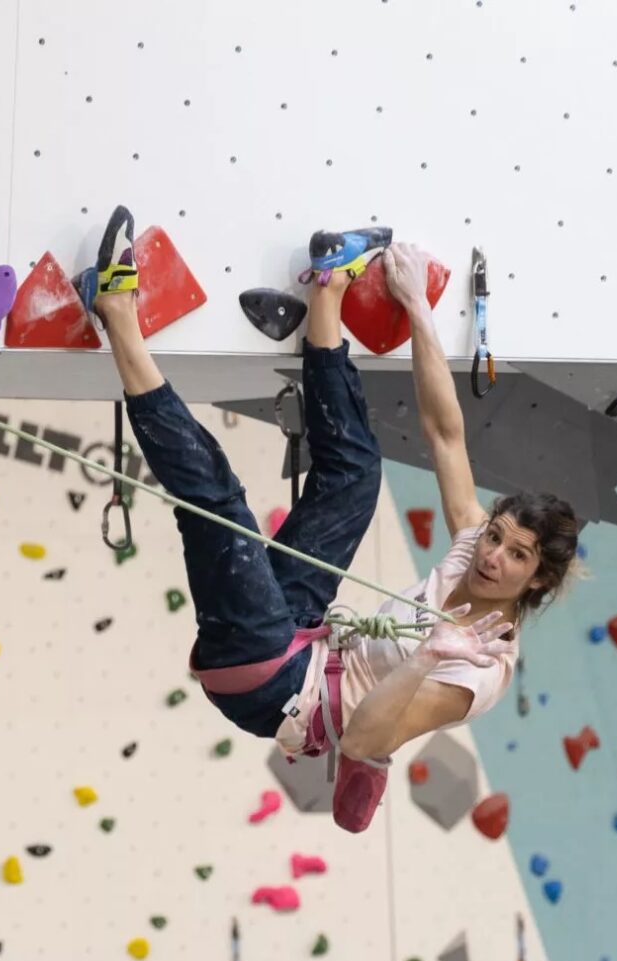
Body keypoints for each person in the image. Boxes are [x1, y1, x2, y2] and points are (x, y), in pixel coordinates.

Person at [83, 207, 580, 832]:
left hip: (274, 685)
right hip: (307, 636)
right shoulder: (475, 544)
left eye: (516, 556)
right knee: (355, 477)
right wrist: (419, 311)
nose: (492, 554)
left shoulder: (477, 673)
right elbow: (446, 435)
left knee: (220, 507)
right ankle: (329, 289)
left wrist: (428, 655)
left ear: (536, 579)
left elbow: (364, 742)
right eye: (499, 536)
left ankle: (115, 312)